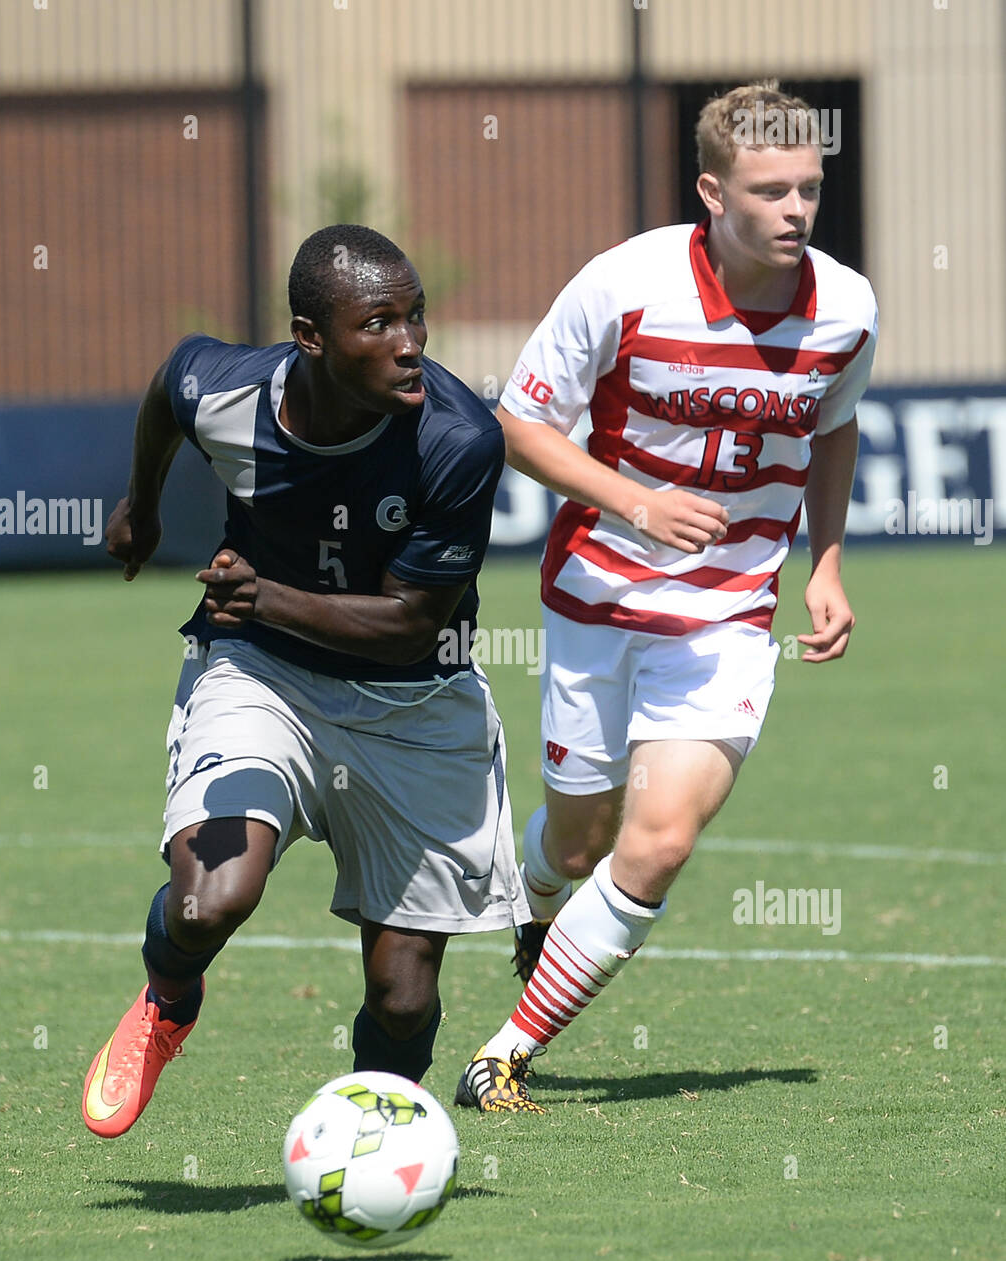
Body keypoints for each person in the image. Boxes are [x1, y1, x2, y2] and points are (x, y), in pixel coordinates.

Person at [455, 81, 878, 1113]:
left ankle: (504, 1051)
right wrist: (635, 502)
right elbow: (516, 422)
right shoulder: (624, 284)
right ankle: (542, 901)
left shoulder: (849, 309)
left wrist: (823, 561)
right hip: (596, 602)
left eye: (809, 190)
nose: (795, 211)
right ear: (711, 190)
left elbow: (830, 427)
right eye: (769, 191)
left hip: (728, 619)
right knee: (576, 839)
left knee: (661, 841)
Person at [82, 223, 529, 1138]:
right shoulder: (229, 391)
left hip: (416, 701)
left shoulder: (456, 440)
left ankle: (370, 1142)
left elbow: (410, 629)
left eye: (415, 318)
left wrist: (266, 595)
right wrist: (143, 506)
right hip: (261, 677)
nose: (410, 343)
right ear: (311, 337)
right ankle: (168, 999)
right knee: (213, 897)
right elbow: (171, 387)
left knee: (404, 1003)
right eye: (379, 323)